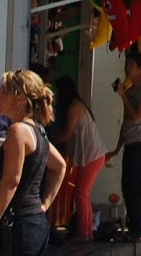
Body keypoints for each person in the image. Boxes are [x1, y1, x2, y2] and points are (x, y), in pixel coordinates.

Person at [0, 70, 67, 256]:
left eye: (4, 91)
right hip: (34, 222)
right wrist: (43, 206)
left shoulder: (18, 131)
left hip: (19, 226)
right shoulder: (38, 131)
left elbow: (11, 181)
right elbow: (59, 166)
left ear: (20, 98)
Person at [51, 76, 108, 243]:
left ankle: (83, 233)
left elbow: (66, 134)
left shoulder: (73, 108)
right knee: (83, 193)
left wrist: (47, 140)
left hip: (92, 155)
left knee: (81, 193)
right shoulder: (79, 104)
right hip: (94, 155)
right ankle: (87, 231)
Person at [107, 48, 141, 240]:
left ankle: (136, 229)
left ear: (140, 68)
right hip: (130, 142)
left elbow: (136, 118)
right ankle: (131, 225)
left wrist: (122, 96)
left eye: (131, 65)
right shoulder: (130, 89)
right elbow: (126, 122)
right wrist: (117, 149)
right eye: (126, 65)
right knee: (126, 185)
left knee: (135, 186)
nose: (127, 68)